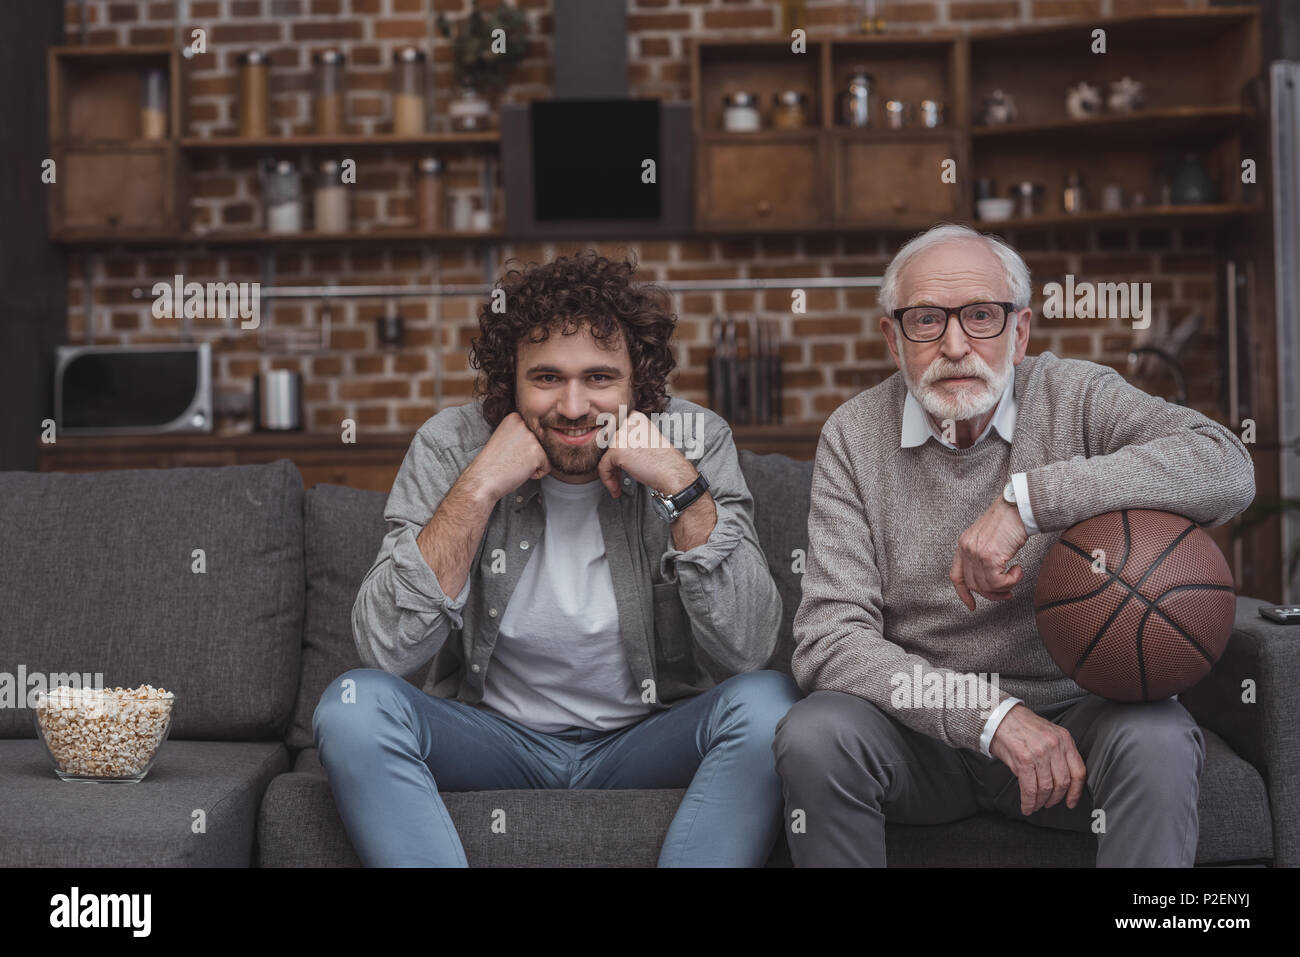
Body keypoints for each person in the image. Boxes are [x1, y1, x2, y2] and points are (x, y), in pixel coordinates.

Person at [773, 223, 1255, 867]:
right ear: (893, 339)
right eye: (925, 320)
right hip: (920, 734)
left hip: (1076, 722)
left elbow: (1225, 465)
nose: (954, 345)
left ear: (1020, 332)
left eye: (981, 316)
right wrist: (989, 717)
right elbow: (829, 641)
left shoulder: (1077, 396)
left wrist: (1027, 502)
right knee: (816, 733)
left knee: (1159, 738)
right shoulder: (853, 436)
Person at [314, 249, 801, 867]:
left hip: (648, 738)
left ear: (639, 385)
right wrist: (479, 486)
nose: (573, 407)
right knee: (353, 706)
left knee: (769, 704)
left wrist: (681, 486)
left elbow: (749, 646)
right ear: (511, 383)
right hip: (493, 739)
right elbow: (386, 649)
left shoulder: (695, 442)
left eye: (600, 378)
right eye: (546, 378)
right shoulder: (450, 445)